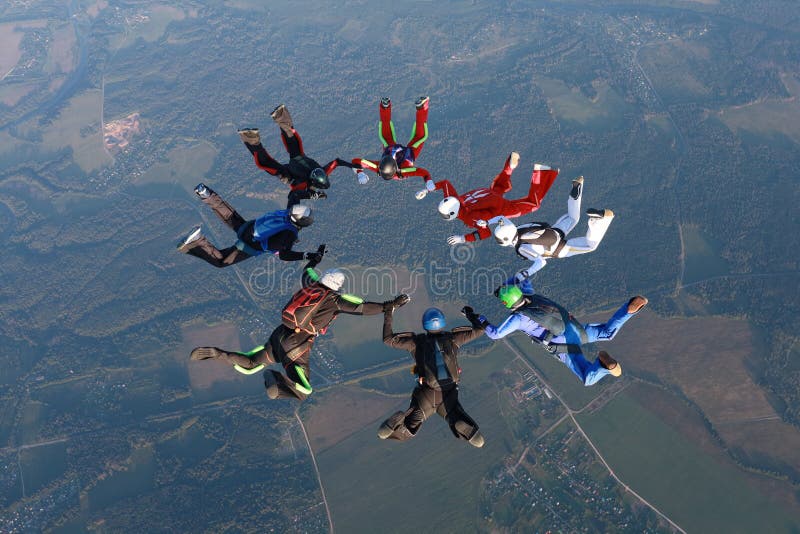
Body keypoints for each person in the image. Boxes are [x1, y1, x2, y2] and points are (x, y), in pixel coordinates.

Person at [191, 262, 410, 401]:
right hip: (296, 344)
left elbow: (307, 270)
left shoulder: (312, 284)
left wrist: (316, 258)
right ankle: (277, 382)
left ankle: (220, 354)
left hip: (279, 335)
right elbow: (363, 307)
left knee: (249, 363)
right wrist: (390, 305)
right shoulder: (335, 300)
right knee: (304, 391)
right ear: (338, 287)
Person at [477, 285, 648, 386]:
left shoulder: (518, 318)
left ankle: (604, 368)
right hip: (574, 329)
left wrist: (478, 319)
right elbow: (524, 280)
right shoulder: (530, 294)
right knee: (606, 333)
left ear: (507, 303)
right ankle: (628, 310)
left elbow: (495, 334)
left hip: (564, 346)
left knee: (587, 379)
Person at [377, 303, 487, 447]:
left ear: (425, 325)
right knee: (454, 415)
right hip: (448, 395)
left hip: (426, 394)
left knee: (409, 428)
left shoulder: (416, 342)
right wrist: (470, 314)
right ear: (442, 322)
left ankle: (391, 429)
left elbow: (388, 339)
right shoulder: (454, 339)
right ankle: (470, 432)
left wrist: (388, 312)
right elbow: (480, 329)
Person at [416, 152, 559, 245]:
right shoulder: (452, 198)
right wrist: (427, 189)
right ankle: (508, 168)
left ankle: (543, 172)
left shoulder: (468, 218)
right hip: (487, 195)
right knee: (499, 188)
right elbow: (445, 183)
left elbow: (485, 233)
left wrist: (463, 239)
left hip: (498, 207)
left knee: (533, 204)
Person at [493, 176, 615, 279]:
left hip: (559, 249)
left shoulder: (521, 248)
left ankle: (598, 220)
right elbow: (501, 219)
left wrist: (524, 274)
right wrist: (485, 222)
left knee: (590, 246)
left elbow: (541, 262)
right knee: (573, 218)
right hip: (554, 231)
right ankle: (576, 193)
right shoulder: (518, 228)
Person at [238, 104, 359, 207]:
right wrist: (353, 166)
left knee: (265, 162)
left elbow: (294, 195)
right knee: (291, 138)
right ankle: (278, 116)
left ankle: (251, 136)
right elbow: (337, 162)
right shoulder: (322, 172)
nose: (317, 172)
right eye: (320, 173)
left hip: (288, 173)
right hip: (298, 159)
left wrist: (311, 195)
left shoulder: (302, 184)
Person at [177, 183, 323, 268]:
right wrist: (306, 255)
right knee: (222, 261)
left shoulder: (289, 211)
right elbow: (285, 255)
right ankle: (196, 241)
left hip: (250, 226)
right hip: (251, 245)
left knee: (229, 216)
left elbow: (294, 195)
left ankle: (205, 194)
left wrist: (314, 195)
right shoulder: (290, 234)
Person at [351, 96, 432, 186]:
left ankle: (421, 107)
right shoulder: (379, 167)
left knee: (419, 136)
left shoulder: (402, 170)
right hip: (402, 154)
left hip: (399, 152)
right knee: (388, 134)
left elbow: (423, 173)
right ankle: (385, 106)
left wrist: (359, 172)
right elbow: (356, 161)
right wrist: (359, 172)